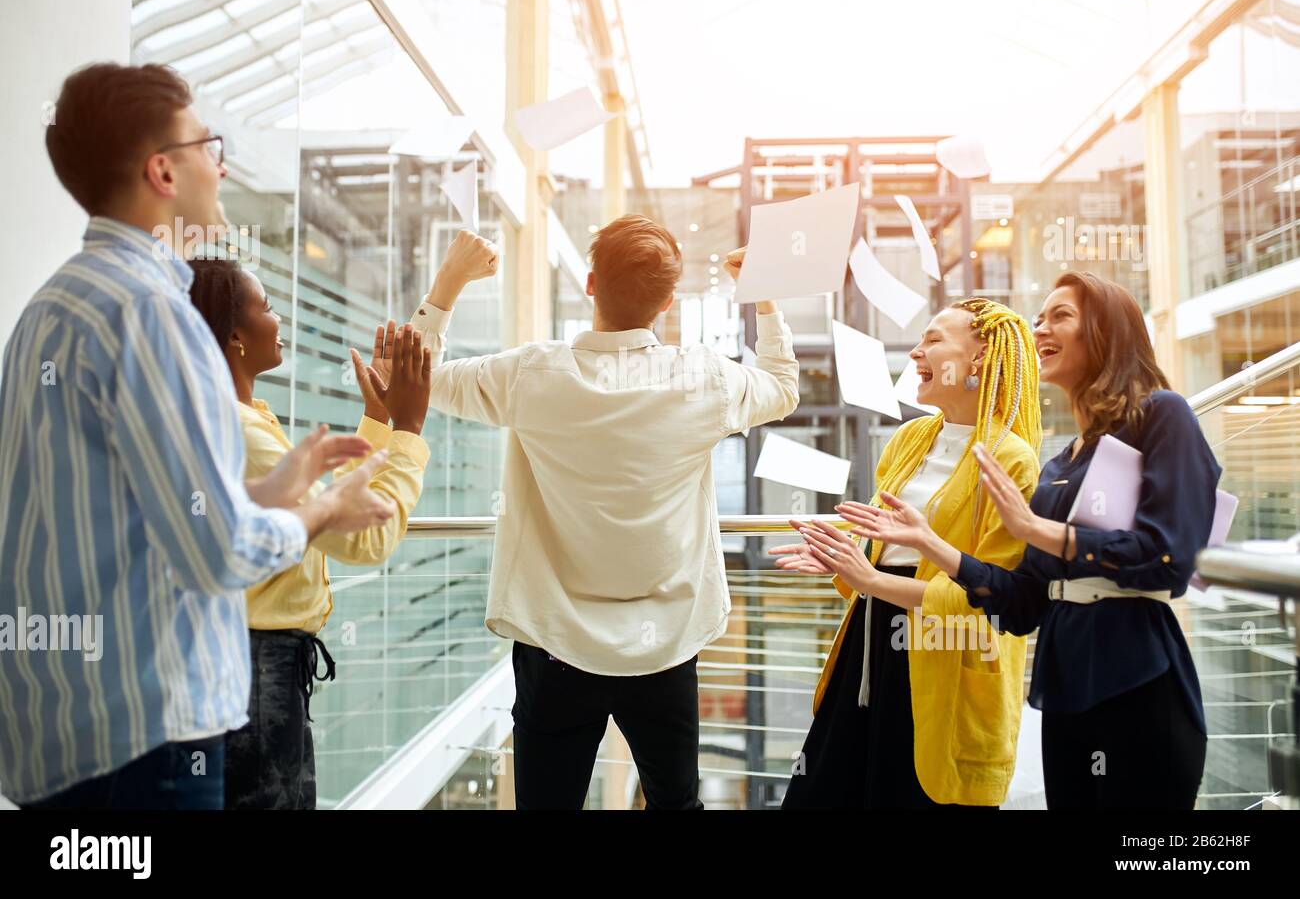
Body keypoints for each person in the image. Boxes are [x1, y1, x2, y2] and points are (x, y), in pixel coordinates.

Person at [0, 62, 395, 810]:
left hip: (61, 732)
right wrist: (321, 512)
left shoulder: (52, 307)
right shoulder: (151, 313)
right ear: (163, 171)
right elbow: (219, 552)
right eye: (207, 145)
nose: (223, 163)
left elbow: (137, 514)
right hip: (145, 742)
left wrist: (272, 490)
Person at [403, 219, 799, 809]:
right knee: (675, 804)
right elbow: (782, 385)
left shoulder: (529, 375)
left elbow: (415, 377)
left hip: (555, 645)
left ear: (590, 284)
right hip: (664, 646)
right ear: (667, 302)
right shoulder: (703, 377)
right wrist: (764, 291)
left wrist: (450, 280)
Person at [848, 272, 1218, 809]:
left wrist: (1036, 530)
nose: (1040, 328)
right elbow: (1020, 604)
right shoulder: (1062, 463)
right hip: (1066, 681)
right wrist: (932, 546)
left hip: (1139, 674)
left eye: (1060, 316)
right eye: (1039, 317)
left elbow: (1169, 558)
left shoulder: (1164, 413)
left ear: (1108, 330)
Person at [187, 254, 453, 808]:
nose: (279, 318)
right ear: (235, 335)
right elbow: (363, 536)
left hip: (258, 666)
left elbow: (335, 508)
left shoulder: (237, 415)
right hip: (257, 675)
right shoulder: (239, 430)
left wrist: (378, 422)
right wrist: (408, 427)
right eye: (267, 306)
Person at [770, 298, 1041, 808]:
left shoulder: (1012, 460)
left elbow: (993, 600)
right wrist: (847, 557)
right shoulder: (912, 438)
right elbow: (883, 540)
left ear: (979, 357)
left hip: (946, 653)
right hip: (869, 646)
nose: (917, 351)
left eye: (934, 340)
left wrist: (871, 581)